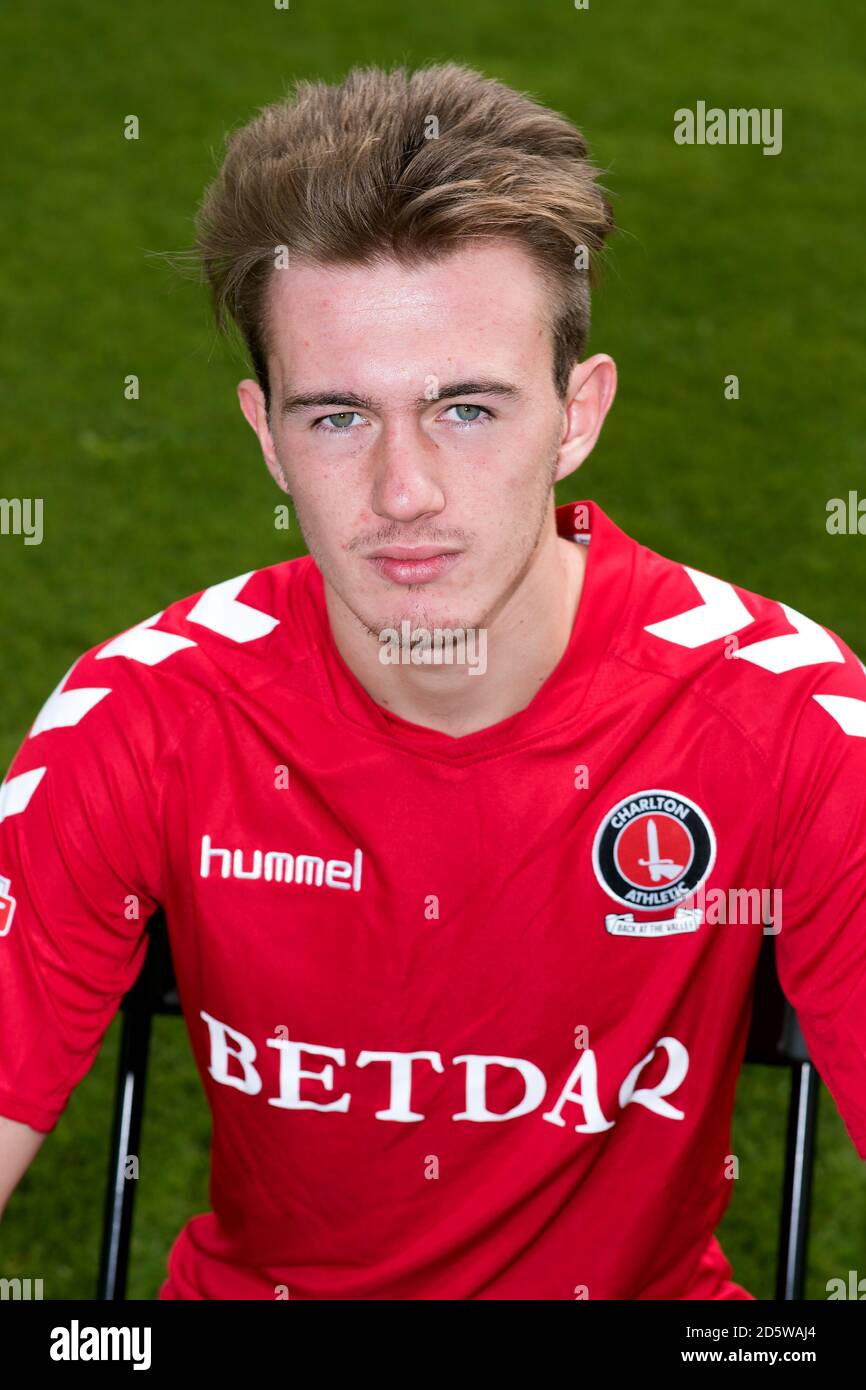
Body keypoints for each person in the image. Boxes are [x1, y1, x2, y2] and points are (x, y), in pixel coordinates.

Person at [1, 61, 864, 1301]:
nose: (402, 492)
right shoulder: (150, 713)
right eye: (337, 417)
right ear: (264, 434)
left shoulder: (784, 716)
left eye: (464, 408)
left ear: (575, 414)